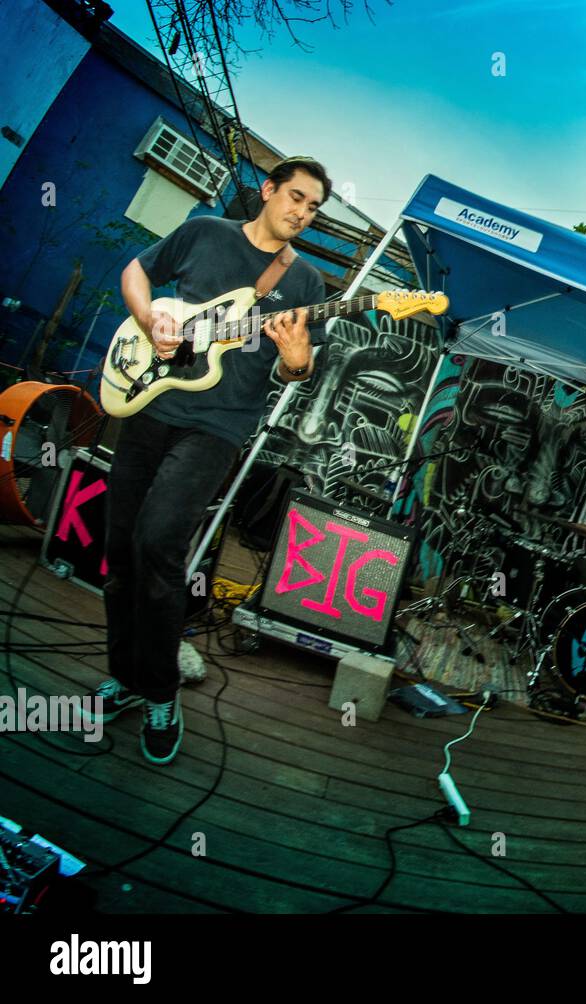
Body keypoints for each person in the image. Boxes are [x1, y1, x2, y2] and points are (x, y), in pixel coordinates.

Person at [82, 157, 331, 766]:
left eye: (314, 206)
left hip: (216, 428)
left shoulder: (305, 286)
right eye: (295, 197)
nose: (302, 212)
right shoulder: (205, 233)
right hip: (146, 407)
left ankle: (161, 693)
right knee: (120, 554)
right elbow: (137, 271)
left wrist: (297, 356)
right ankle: (126, 677)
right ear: (269, 191)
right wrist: (149, 319)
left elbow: (298, 373)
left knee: (159, 543)